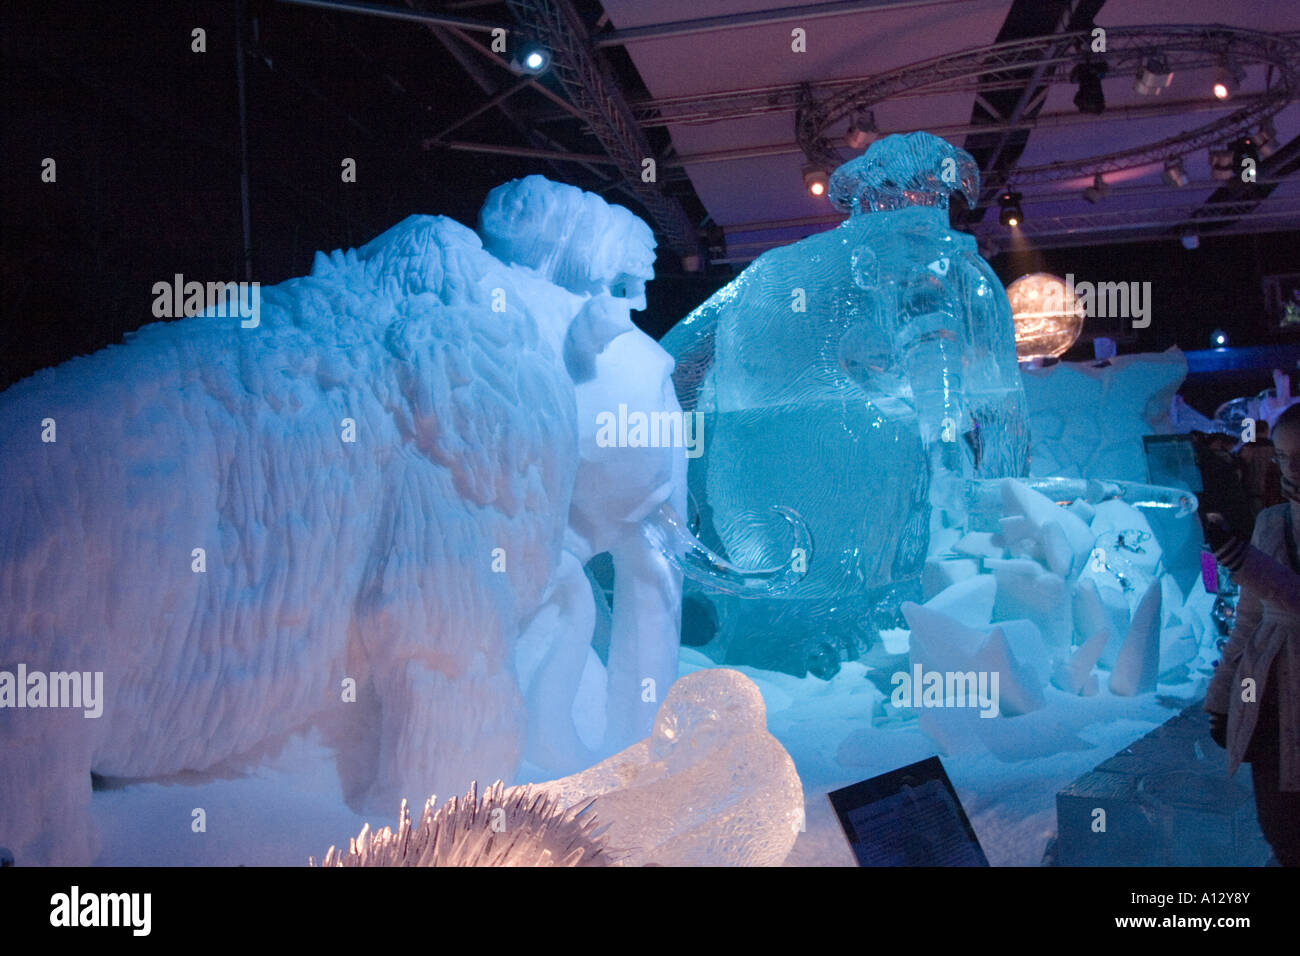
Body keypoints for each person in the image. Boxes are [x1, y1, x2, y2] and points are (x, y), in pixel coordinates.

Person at [1204, 402, 1300, 866]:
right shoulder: (1271, 522)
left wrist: (1247, 566)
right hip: (1268, 696)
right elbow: (1248, 620)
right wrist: (1222, 698)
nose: (1292, 468)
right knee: (1280, 826)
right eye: (1283, 456)